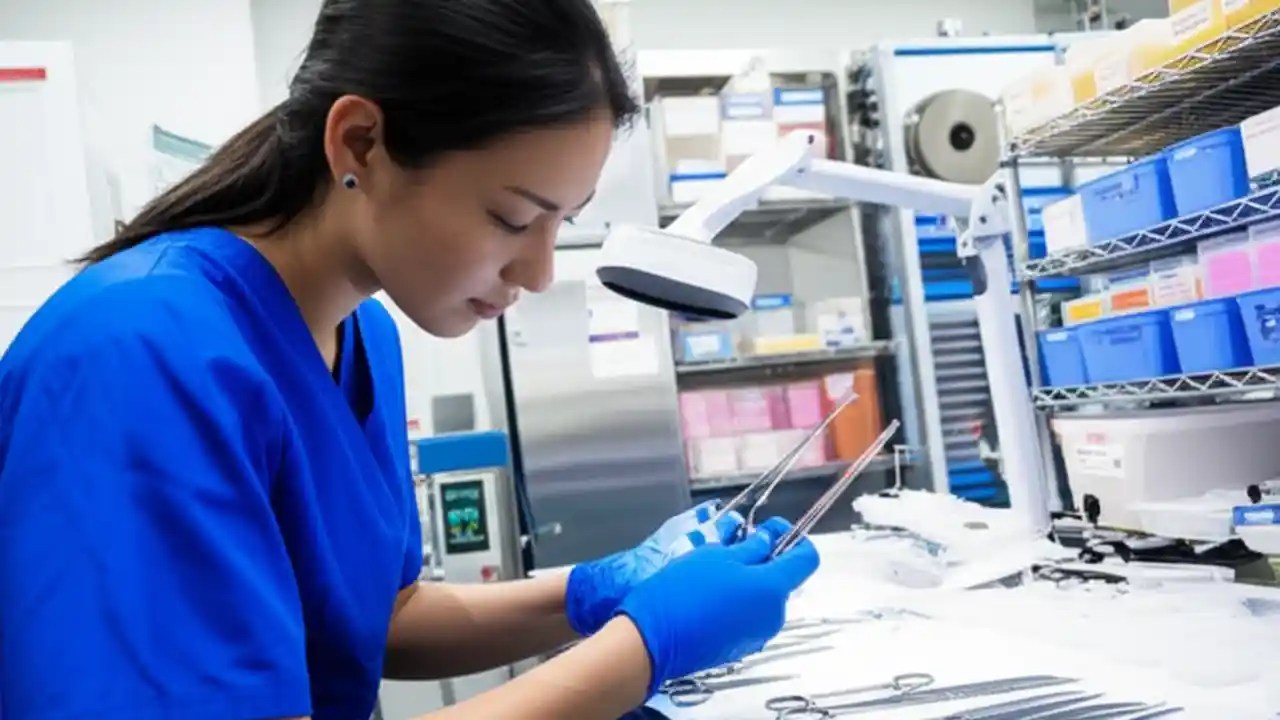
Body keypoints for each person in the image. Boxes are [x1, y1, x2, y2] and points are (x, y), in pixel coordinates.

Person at [0, 1, 821, 719]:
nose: (537, 273)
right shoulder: (144, 358)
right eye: (511, 217)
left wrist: (594, 588)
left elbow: (375, 620)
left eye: (560, 224)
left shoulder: (365, 334)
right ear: (360, 144)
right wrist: (644, 650)